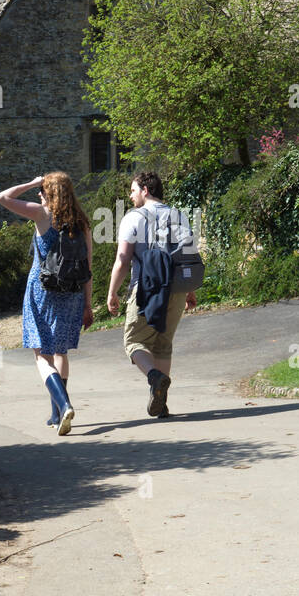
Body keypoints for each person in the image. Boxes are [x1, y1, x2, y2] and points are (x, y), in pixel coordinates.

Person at [0, 172, 94, 436]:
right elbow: (88, 268)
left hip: (42, 291)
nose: (39, 193)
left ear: (49, 192)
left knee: (41, 354)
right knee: (60, 351)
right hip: (72, 293)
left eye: (42, 189)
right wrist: (88, 305)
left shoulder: (41, 214)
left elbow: (2, 197)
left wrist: (30, 182)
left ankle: (63, 405)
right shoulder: (82, 222)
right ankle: (56, 414)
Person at [105, 171, 197, 418]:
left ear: (145, 190)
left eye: (133, 190)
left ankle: (154, 377)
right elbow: (186, 256)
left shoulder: (133, 218)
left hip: (146, 289)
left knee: (133, 341)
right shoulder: (180, 216)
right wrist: (189, 290)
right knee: (163, 344)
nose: (131, 195)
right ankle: (162, 402)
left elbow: (123, 259)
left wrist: (112, 292)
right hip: (176, 289)